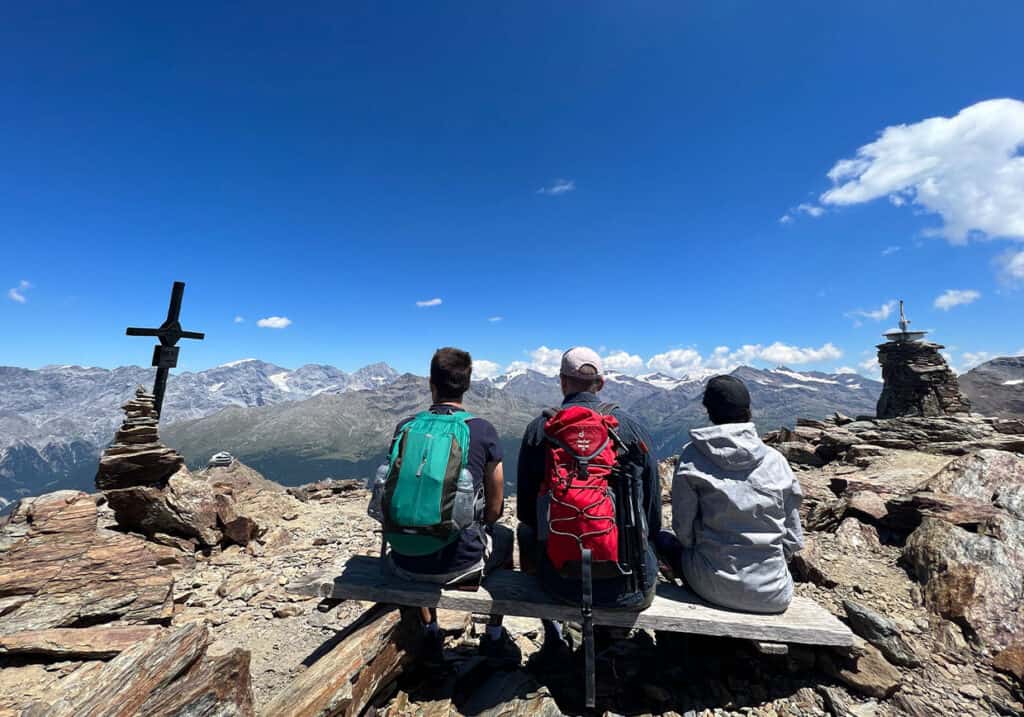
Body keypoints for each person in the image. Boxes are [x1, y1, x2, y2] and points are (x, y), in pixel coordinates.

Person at [517, 347, 662, 660]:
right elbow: (652, 514)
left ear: (562, 382)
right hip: (630, 588)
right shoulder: (631, 428)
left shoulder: (539, 431)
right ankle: (613, 638)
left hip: (558, 584)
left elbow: (527, 514)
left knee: (524, 533)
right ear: (603, 383)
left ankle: (554, 634)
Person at [382, 347, 519, 667]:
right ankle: (494, 637)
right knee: (505, 536)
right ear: (467, 384)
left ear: (431, 383)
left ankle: (430, 629)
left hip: (403, 558)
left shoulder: (405, 426)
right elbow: (496, 505)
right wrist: (483, 523)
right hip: (461, 563)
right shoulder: (481, 429)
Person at [669, 374, 804, 614]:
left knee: (661, 540)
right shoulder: (776, 461)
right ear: (748, 410)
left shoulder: (692, 457)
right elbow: (793, 538)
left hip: (710, 585)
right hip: (773, 594)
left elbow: (684, 532)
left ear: (708, 411)